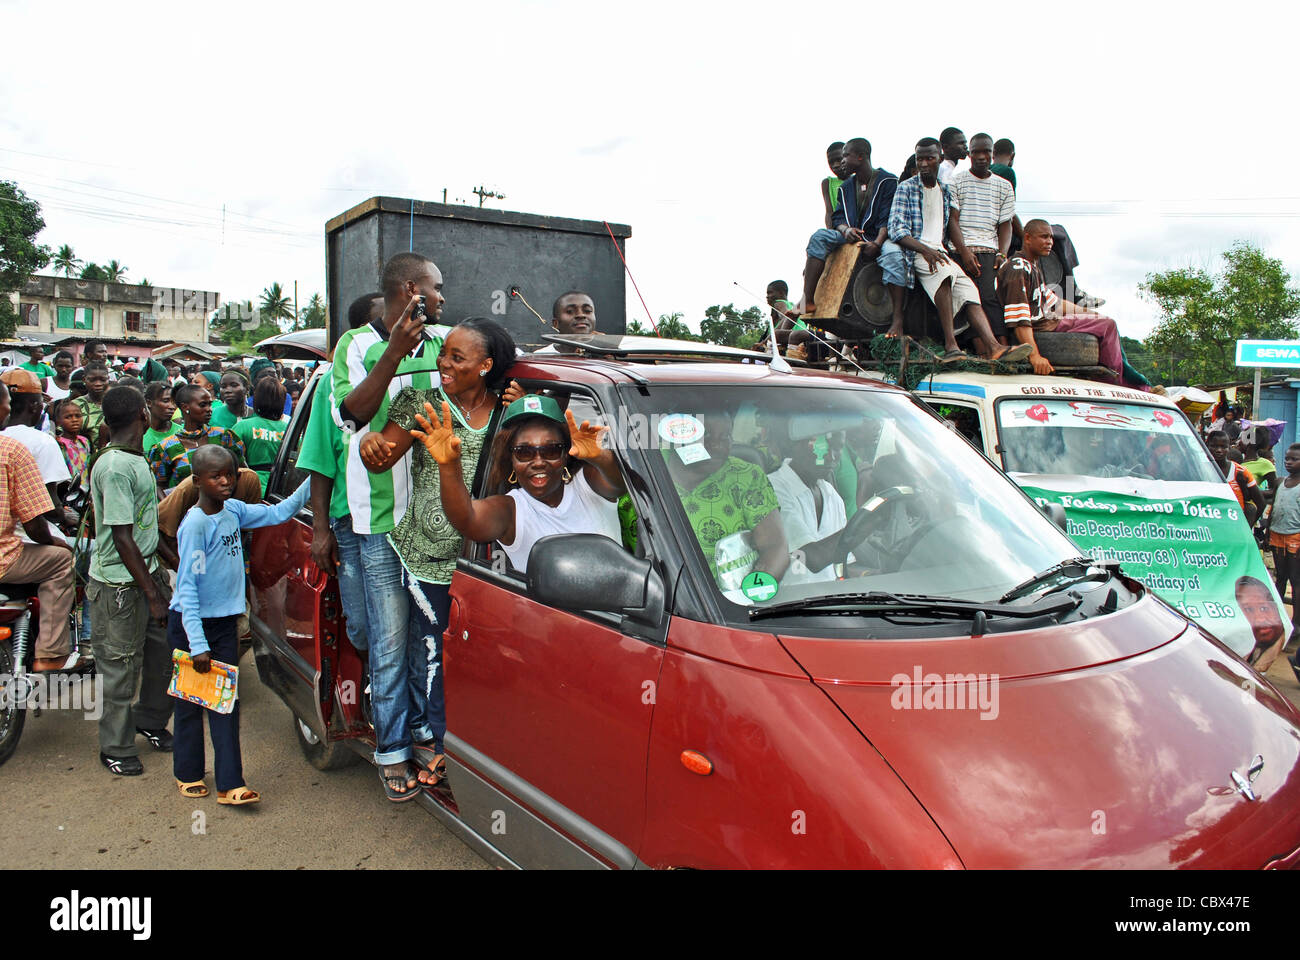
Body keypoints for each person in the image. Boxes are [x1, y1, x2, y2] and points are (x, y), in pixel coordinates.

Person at [358, 318, 516, 788]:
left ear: (486, 366)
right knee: (429, 651)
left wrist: (523, 409)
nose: (442, 363)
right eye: (443, 353)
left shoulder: (510, 409)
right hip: (424, 553)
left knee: (463, 658)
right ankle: (432, 744)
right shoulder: (420, 402)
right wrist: (372, 447)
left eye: (456, 357)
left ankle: (447, 739)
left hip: (486, 561)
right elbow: (383, 451)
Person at [332, 251, 446, 802]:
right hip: (377, 521)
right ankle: (393, 748)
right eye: (435, 288)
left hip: (435, 520)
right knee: (388, 637)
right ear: (410, 289)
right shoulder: (355, 346)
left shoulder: (445, 340)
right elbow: (354, 411)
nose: (443, 298)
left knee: (431, 635)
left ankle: (426, 732)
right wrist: (395, 352)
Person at [168, 445, 309, 803]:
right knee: (190, 702)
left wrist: (315, 477)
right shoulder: (196, 524)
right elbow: (187, 588)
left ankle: (230, 783)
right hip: (192, 624)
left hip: (223, 622)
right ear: (197, 481)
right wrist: (197, 644)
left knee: (224, 701)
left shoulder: (233, 510)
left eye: (230, 473)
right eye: (216, 476)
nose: (226, 481)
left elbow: (279, 512)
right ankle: (187, 772)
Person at [420, 393, 625, 575]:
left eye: (551, 450)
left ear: (565, 455)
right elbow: (468, 519)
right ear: (511, 460)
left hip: (619, 615)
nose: (538, 461)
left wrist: (599, 457)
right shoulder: (511, 510)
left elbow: (618, 484)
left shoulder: (587, 482)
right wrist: (448, 465)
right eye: (524, 452)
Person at [87, 385, 178, 775]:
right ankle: (116, 746)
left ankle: (150, 720)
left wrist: (177, 566)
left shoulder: (134, 459)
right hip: (119, 586)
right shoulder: (114, 467)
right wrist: (153, 596)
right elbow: (123, 538)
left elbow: (146, 530)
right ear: (143, 414)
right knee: (121, 668)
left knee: (165, 656)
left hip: (146, 576)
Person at [295, 291, 381, 679]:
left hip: (403, 520)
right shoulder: (334, 383)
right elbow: (319, 461)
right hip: (351, 523)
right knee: (364, 625)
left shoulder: (419, 367)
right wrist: (321, 529)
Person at [888, 138, 1032, 364]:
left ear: (939, 159)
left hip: (940, 252)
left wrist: (949, 250)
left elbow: (950, 226)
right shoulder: (906, 188)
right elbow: (896, 230)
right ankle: (951, 345)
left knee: (969, 292)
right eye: (920, 159)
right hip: (915, 252)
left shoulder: (945, 190)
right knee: (943, 275)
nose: (924, 164)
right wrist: (925, 250)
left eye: (930, 158)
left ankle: (994, 347)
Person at [996, 219, 1140, 384]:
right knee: (1108, 325)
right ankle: (1115, 384)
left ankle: (1126, 380)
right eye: (1044, 237)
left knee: (1106, 323)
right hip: (1042, 327)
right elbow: (1019, 320)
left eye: (1050, 237)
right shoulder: (1018, 269)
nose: (1049, 242)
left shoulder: (1033, 267)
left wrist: (1092, 315)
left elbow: (1056, 303)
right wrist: (1035, 356)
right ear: (1027, 238)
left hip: (1051, 320)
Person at [662, 409, 790, 590]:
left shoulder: (746, 477)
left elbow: (774, 547)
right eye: (706, 434)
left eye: (725, 436)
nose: (717, 445)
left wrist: (750, 594)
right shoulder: (646, 466)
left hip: (726, 607)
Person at [0, 382, 76, 673]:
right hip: (6, 559)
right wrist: (54, 543)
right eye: (6, 402)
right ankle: (51, 653)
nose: (9, 409)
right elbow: (35, 522)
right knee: (61, 560)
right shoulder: (13, 450)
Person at [802, 138, 905, 330]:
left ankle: (897, 318)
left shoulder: (888, 181)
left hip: (880, 236)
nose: (842, 162)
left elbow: (888, 217)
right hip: (852, 236)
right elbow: (837, 217)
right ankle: (807, 298)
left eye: (845, 156)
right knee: (819, 237)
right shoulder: (846, 186)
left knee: (893, 255)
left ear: (861, 157)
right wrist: (846, 230)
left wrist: (878, 243)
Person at [948, 134, 1017, 343]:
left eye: (985, 152)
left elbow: (1006, 225)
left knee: (990, 297)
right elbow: (952, 220)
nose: (980, 156)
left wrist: (1002, 254)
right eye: (975, 152)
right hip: (961, 249)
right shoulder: (956, 181)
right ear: (969, 154)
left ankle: (1002, 348)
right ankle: (984, 351)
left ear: (992, 154)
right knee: (968, 298)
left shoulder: (1004, 186)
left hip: (989, 250)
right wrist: (964, 252)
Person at [765, 427, 852, 584]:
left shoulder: (831, 494)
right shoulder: (772, 488)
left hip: (832, 598)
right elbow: (811, 559)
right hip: (787, 603)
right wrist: (864, 526)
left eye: (838, 448)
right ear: (795, 445)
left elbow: (843, 564)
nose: (831, 457)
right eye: (821, 447)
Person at [1, 369, 75, 534]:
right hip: (26, 536)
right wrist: (65, 516)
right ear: (34, 406)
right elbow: (50, 507)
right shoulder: (43, 441)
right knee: (76, 551)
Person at [147, 382, 246, 495]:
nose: (209, 409)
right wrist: (171, 507)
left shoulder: (224, 436)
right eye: (203, 405)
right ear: (185, 407)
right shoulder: (167, 446)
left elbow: (243, 471)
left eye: (210, 404)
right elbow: (159, 486)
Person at [231, 377, 289, 495]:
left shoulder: (241, 427)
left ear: (257, 398)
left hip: (248, 490)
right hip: (280, 492)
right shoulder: (290, 430)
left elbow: (230, 461)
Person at [1266, 444, 1300, 639]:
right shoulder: (1281, 482)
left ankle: (1296, 623)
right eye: (1287, 458)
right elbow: (1273, 511)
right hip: (1277, 535)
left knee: (1296, 581)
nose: (1288, 462)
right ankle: (1277, 620)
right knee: (1280, 578)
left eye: (1294, 459)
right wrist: (1269, 533)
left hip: (1295, 537)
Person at [1207, 429, 1266, 521]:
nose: (1219, 450)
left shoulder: (1240, 472)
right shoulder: (1200, 469)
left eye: (1223, 447)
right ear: (1206, 446)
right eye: (1214, 446)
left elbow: (1261, 503)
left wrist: (1248, 527)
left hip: (1235, 524)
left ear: (1229, 448)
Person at [73, 362, 112, 450]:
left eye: (103, 380)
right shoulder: (75, 405)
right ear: (84, 379)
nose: (98, 383)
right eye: (92, 380)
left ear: (108, 379)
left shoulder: (117, 403)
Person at [142, 381, 179, 458]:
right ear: (149, 403)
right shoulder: (139, 435)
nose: (172, 407)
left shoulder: (180, 433)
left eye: (174, 402)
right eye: (166, 401)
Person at [821, 141, 846, 228]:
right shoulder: (827, 183)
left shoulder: (858, 180)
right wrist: (830, 232)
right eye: (831, 162)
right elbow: (829, 212)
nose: (835, 165)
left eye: (839, 160)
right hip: (838, 228)